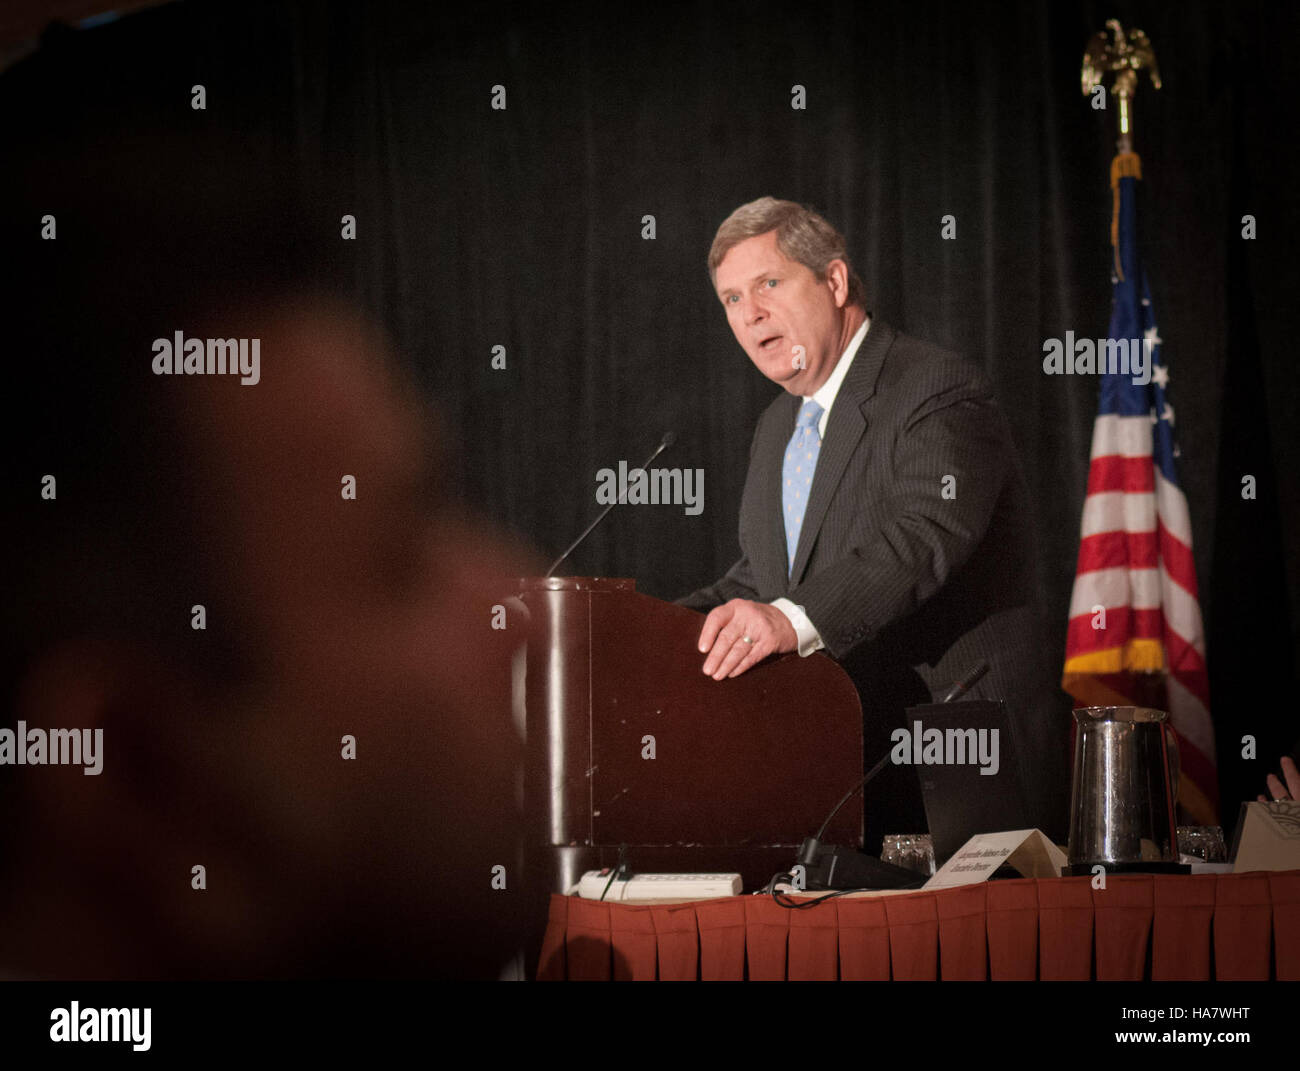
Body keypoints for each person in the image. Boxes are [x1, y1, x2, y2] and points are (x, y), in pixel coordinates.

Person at [677, 197, 1067, 848]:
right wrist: (640, 633)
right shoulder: (778, 428)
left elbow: (923, 532)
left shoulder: (935, 387)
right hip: (850, 770)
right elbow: (768, 576)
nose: (749, 313)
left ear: (833, 280)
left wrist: (786, 618)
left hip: (966, 757)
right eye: (730, 298)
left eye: (768, 283)